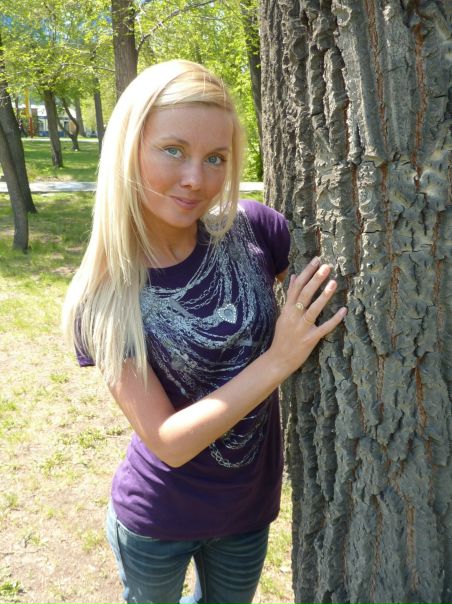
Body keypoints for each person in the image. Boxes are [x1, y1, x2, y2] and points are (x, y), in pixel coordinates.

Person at [61, 59, 347, 604]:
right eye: (173, 150)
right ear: (129, 150)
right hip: (157, 521)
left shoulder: (254, 230)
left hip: (248, 512)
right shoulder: (105, 296)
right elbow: (168, 442)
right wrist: (278, 360)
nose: (197, 178)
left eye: (216, 158)